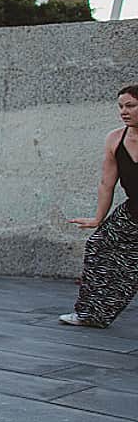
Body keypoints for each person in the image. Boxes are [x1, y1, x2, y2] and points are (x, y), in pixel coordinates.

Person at [61, 85, 138, 328]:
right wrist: (98, 218)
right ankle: (91, 314)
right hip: (133, 211)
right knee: (98, 245)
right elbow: (107, 183)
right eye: (121, 106)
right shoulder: (116, 139)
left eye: (131, 106)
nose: (124, 111)